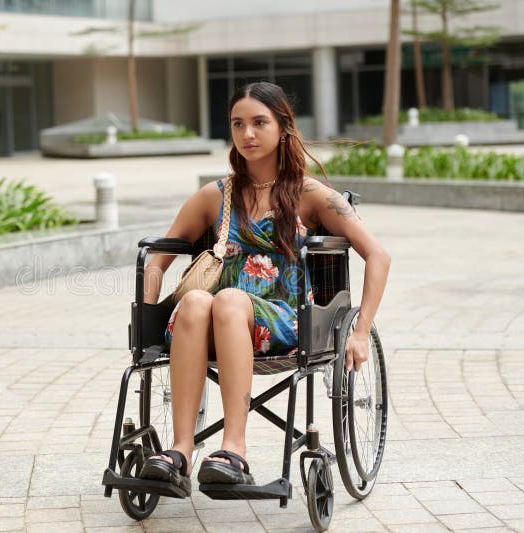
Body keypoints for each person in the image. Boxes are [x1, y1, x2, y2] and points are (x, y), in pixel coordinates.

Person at [138, 81, 391, 490]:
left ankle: (233, 449)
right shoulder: (213, 196)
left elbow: (378, 256)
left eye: (259, 123)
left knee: (229, 300)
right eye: (238, 124)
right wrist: (147, 313)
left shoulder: (311, 194)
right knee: (199, 301)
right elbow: (158, 258)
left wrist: (360, 330)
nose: (247, 134)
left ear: (283, 128)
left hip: (285, 321)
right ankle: (181, 451)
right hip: (211, 324)